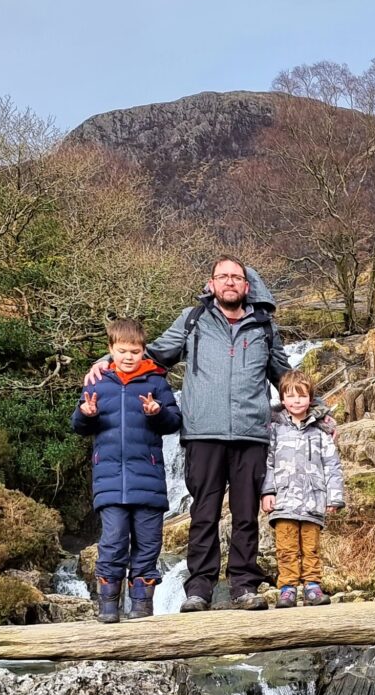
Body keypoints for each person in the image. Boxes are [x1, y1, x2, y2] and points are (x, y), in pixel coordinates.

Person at [85, 256, 283, 612]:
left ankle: (243, 585)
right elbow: (154, 355)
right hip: (202, 433)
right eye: (222, 276)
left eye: (235, 277)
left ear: (247, 285)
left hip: (251, 434)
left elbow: (283, 373)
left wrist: (314, 410)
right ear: (212, 284)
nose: (229, 282)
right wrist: (106, 362)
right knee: (203, 513)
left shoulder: (264, 327)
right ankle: (199, 589)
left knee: (245, 514)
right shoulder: (193, 320)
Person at [72, 317, 181, 622]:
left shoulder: (156, 382)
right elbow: (77, 425)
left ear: (143, 350)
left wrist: (157, 413)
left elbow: (174, 422)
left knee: (148, 544)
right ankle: (108, 606)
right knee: (113, 541)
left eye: (135, 351)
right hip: (109, 481)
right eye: (122, 350)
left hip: (148, 480)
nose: (129, 356)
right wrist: (86, 414)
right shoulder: (97, 382)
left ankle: (142, 607)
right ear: (111, 350)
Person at [261, 369, 346, 607]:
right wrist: (267, 492)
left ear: (310, 398)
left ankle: (312, 587)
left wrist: (334, 497)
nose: (296, 401)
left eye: (302, 395)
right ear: (282, 399)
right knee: (286, 548)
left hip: (313, 500)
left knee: (311, 547)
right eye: (291, 396)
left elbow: (332, 465)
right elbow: (267, 463)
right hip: (284, 501)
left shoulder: (321, 430)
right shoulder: (275, 428)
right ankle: (287, 588)